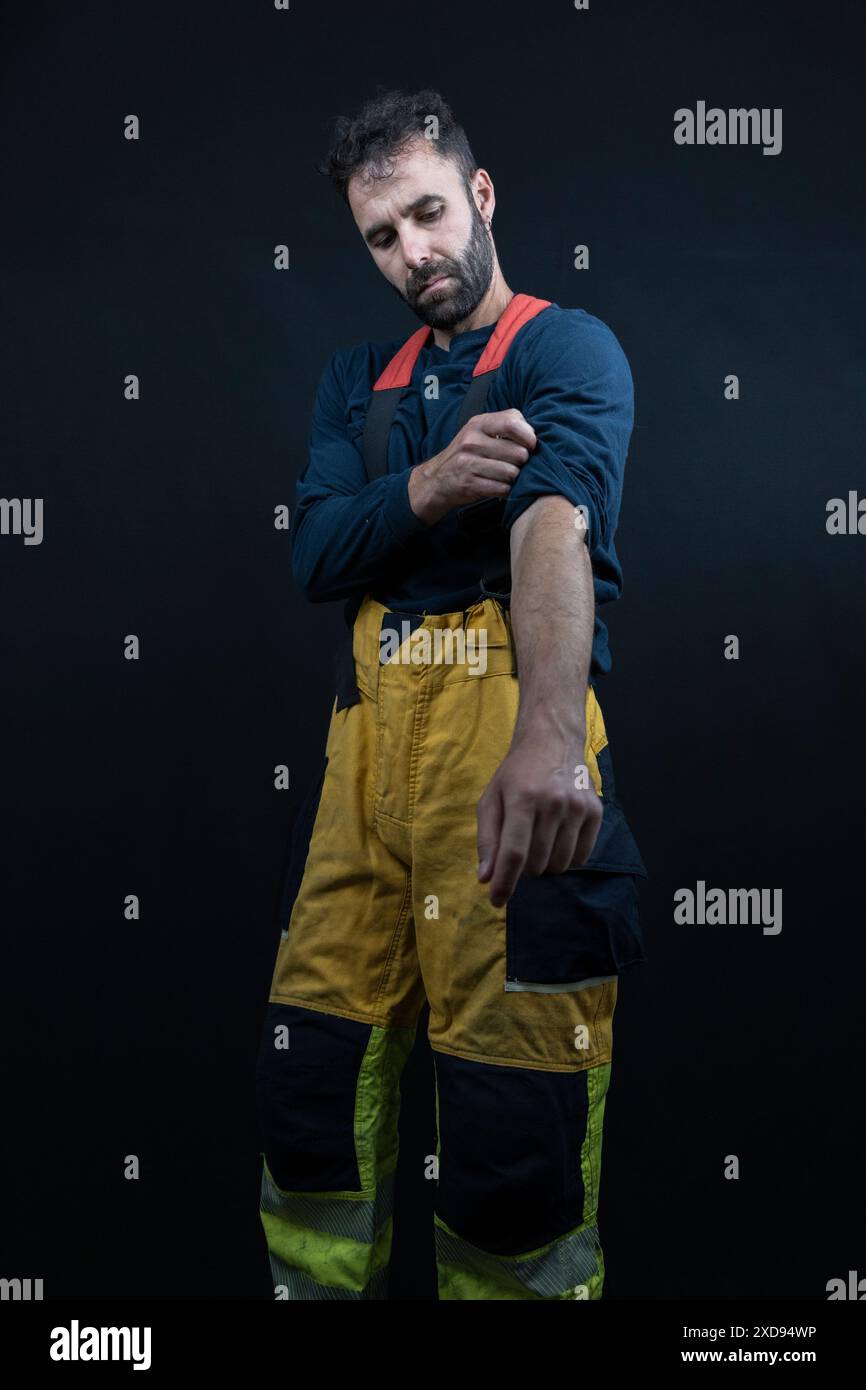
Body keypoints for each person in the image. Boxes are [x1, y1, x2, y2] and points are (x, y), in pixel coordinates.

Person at [255, 86, 649, 1301]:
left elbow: (550, 520)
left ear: (478, 196)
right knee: (315, 1082)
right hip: (363, 781)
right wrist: (425, 491)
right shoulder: (353, 381)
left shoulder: (560, 348)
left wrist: (543, 737)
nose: (413, 252)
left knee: (510, 1114)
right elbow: (317, 554)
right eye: (381, 235)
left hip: (504, 755)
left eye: (428, 213)